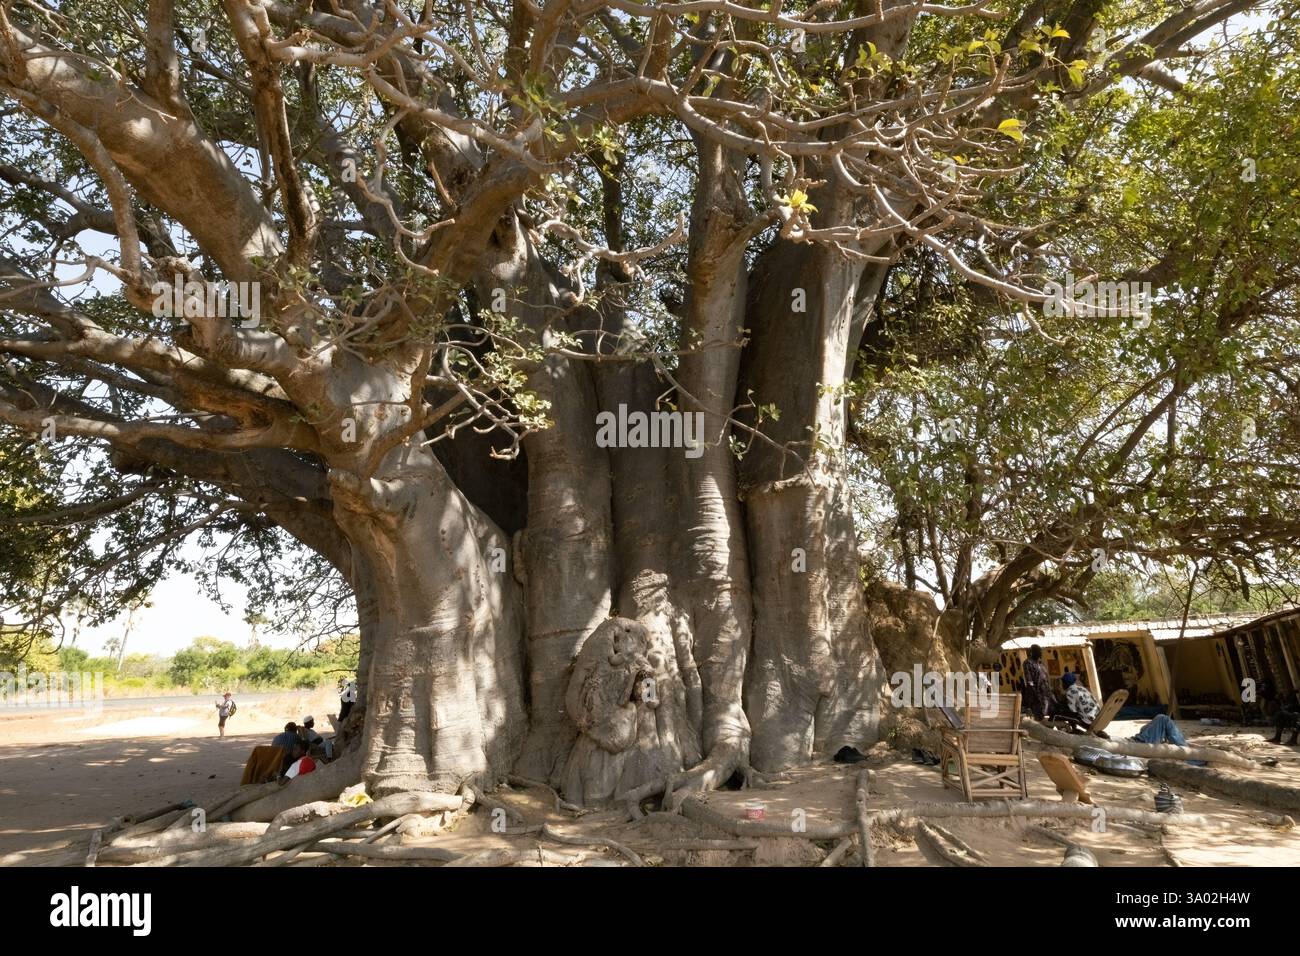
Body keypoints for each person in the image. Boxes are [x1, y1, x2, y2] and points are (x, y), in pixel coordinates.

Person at [1021, 645, 1055, 720]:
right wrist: (1036, 695)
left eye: (1041, 651)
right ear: (1033, 652)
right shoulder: (1028, 663)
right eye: (1039, 652)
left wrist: (1050, 692)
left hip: (1046, 694)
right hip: (1037, 695)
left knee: (1050, 714)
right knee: (1039, 716)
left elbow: (1046, 677)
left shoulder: (1041, 663)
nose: (1041, 653)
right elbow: (1029, 680)